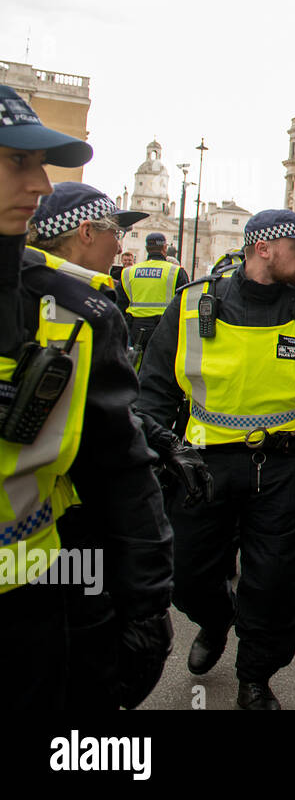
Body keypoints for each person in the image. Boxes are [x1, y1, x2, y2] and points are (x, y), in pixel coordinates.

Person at [137, 209, 295, 710]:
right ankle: (216, 620)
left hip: (279, 467)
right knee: (186, 570)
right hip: (200, 466)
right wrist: (159, 447)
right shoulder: (194, 303)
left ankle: (255, 676)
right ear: (263, 248)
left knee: (273, 577)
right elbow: (154, 387)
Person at [1, 90, 174, 712]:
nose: (40, 183)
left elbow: (115, 463)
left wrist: (145, 596)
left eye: (42, 164)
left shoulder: (79, 312)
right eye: (18, 163)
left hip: (37, 593)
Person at [27, 181, 147, 276]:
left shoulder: (24, 289)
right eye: (116, 234)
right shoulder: (75, 302)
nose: (119, 249)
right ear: (87, 232)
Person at [120, 230, 190, 367]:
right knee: (160, 366)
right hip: (164, 327)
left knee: (135, 364)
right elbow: (185, 302)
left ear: (147, 248)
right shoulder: (176, 271)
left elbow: (120, 304)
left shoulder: (129, 272)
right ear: (165, 248)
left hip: (136, 327)